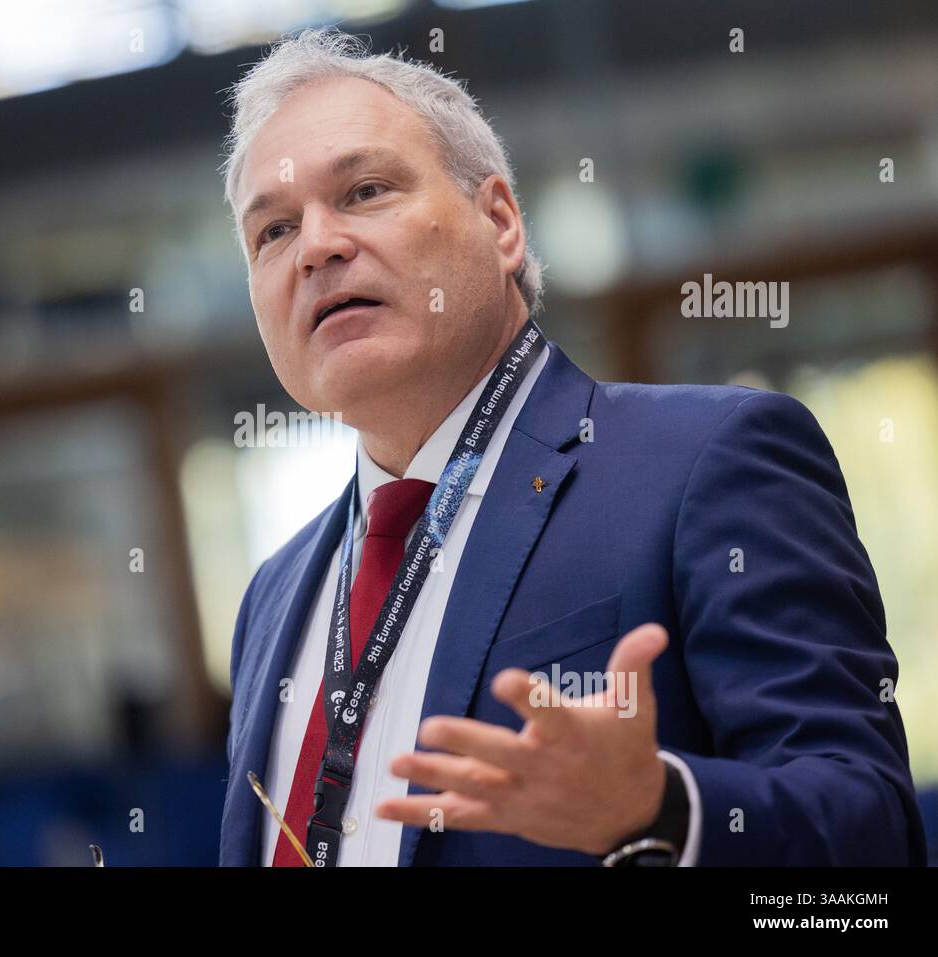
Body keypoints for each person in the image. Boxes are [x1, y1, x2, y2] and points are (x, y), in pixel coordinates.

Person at [216, 27, 925, 866]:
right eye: (273, 233)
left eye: (367, 190)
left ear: (502, 222)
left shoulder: (709, 460)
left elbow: (871, 841)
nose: (318, 247)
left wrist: (663, 809)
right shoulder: (274, 596)